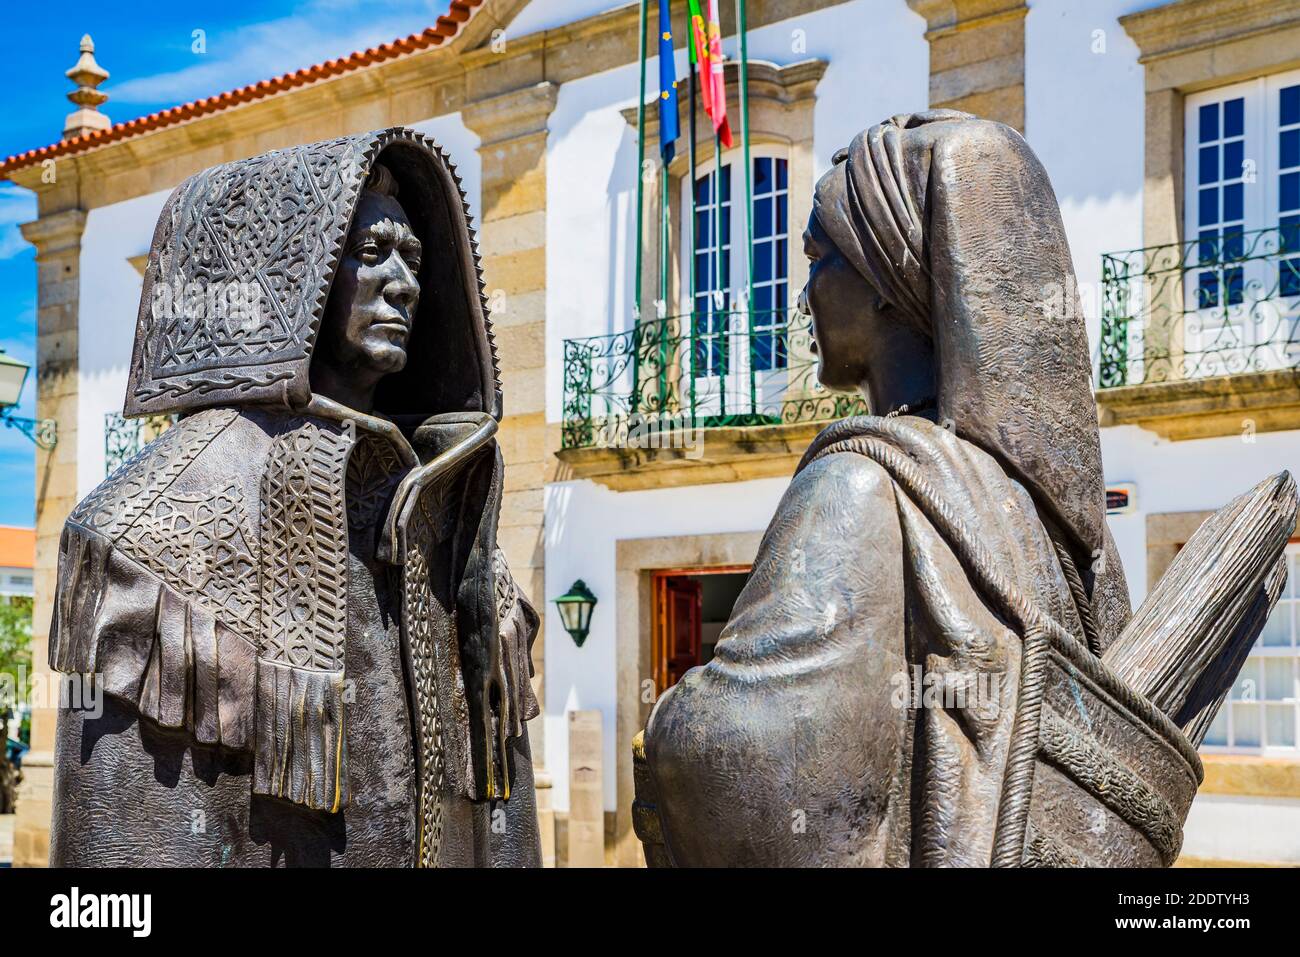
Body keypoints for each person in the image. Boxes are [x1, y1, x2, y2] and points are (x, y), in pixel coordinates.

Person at [642, 111, 1134, 866]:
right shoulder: (1055, 525)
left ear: (881, 283)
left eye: (816, 259)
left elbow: (748, 756)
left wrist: (673, 713)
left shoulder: (860, 486)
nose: (801, 293)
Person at [48, 129, 540, 867]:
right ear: (286, 279)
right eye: (371, 253)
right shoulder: (143, 538)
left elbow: (503, 822)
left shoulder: (457, 528)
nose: (404, 283)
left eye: (414, 258)